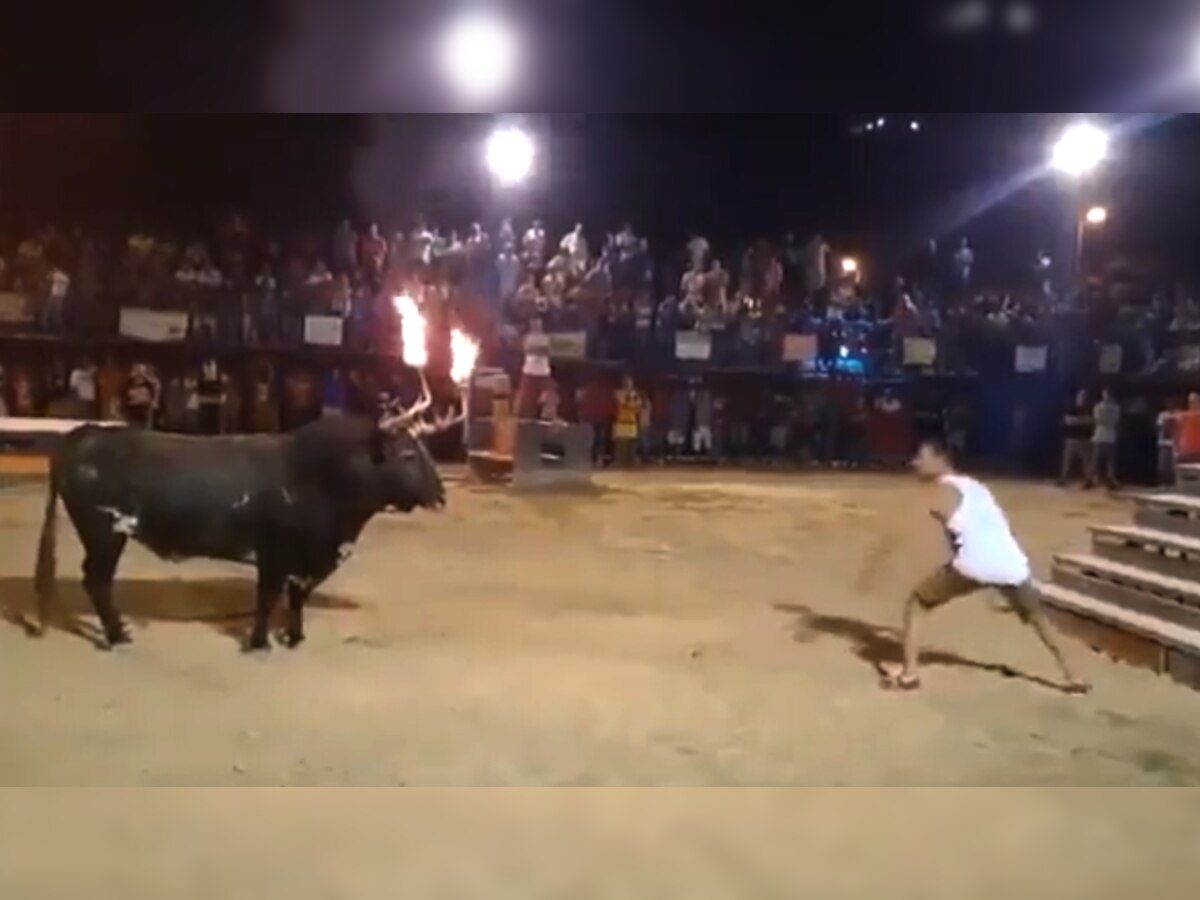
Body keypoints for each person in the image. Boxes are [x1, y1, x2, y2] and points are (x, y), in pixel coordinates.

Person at [878, 441, 1090, 695]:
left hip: (975, 563)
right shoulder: (977, 486)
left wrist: (969, 569)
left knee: (917, 603)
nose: (915, 462)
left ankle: (909, 674)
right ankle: (1073, 676)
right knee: (1038, 619)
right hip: (1012, 563)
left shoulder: (938, 491)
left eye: (921, 456)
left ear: (941, 459)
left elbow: (953, 537)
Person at [1086, 388, 1121, 490]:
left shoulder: (1100, 407)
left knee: (1105, 461)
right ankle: (1092, 479)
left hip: (1104, 436)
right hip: (1104, 436)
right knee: (1098, 460)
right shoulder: (1114, 408)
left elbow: (1098, 420)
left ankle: (1108, 481)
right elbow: (1113, 421)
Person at [1058, 389, 1093, 486]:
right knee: (1067, 460)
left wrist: (1077, 421)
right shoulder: (1071, 408)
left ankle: (1089, 480)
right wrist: (1082, 421)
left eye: (1085, 396)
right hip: (1071, 438)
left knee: (1087, 461)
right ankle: (1063, 478)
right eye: (1081, 396)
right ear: (1077, 397)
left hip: (1084, 439)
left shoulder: (1089, 408)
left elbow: (1091, 421)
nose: (1083, 398)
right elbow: (1067, 420)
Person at [613, 376, 644, 468]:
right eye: (626, 383)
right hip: (621, 421)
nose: (628, 385)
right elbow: (623, 403)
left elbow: (638, 406)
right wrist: (631, 403)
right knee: (621, 444)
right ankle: (619, 462)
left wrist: (632, 403)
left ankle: (630, 462)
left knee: (632, 443)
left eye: (630, 383)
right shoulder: (619, 393)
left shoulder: (635, 394)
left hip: (631, 421)